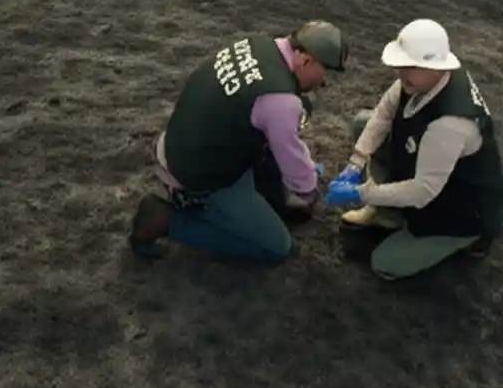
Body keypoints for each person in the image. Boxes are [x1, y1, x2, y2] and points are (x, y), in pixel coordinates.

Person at [127, 20, 349, 263]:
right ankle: (168, 221)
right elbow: (296, 170)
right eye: (324, 71)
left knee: (277, 160)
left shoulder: (258, 45)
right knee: (276, 247)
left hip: (183, 142)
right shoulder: (280, 100)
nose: (324, 82)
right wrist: (308, 189)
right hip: (202, 174)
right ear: (305, 60)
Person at [325, 18, 503, 280]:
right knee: (364, 123)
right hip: (435, 174)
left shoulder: (450, 122)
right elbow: (382, 114)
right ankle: (389, 213)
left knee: (385, 262)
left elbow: (423, 191)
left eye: (409, 67)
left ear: (434, 67)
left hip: (459, 208)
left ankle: (472, 237)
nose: (400, 73)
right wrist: (356, 162)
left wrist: (362, 193)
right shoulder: (418, 81)